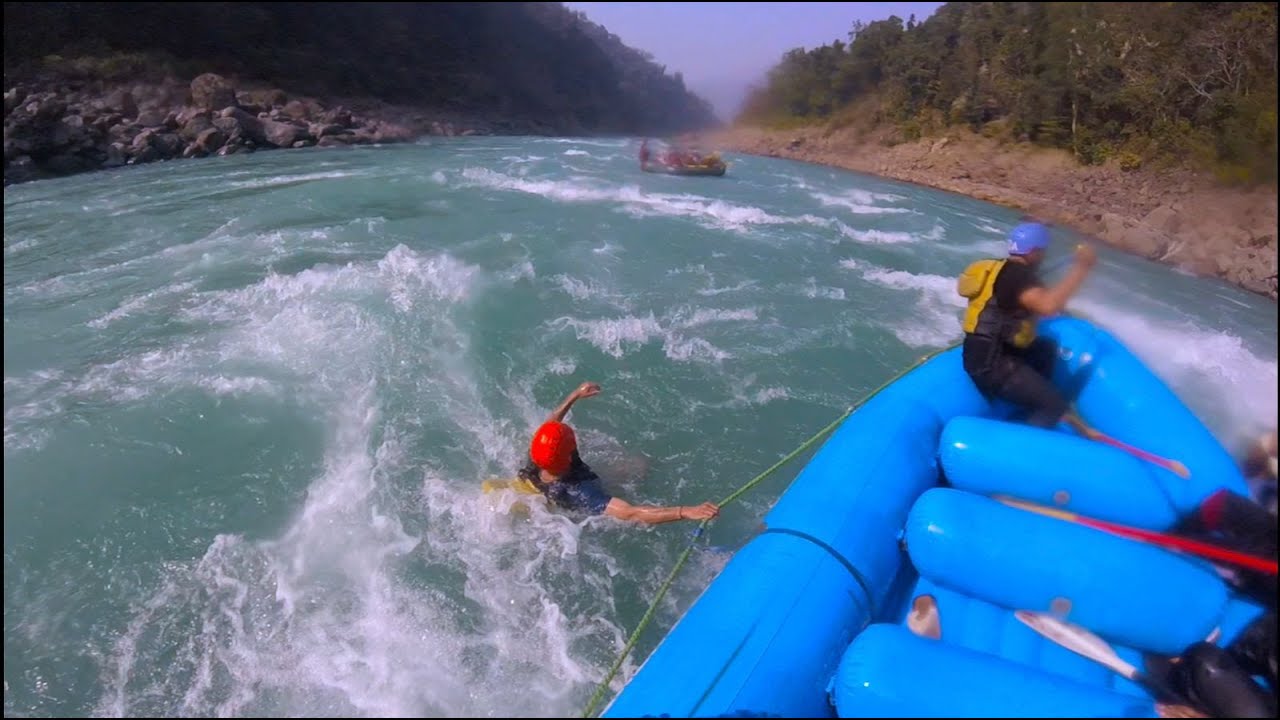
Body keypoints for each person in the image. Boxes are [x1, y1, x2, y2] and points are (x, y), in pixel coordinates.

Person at [516, 381, 720, 525]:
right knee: (640, 466)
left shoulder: (538, 456)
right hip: (568, 501)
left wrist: (575, 395)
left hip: (541, 484)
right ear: (568, 455)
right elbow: (631, 514)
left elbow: (550, 426)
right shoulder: (582, 493)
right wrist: (685, 511)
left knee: (634, 465)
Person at [957, 221, 1097, 430]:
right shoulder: (1019, 278)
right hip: (992, 364)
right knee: (1054, 406)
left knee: (1045, 348)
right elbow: (1048, 306)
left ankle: (1030, 401)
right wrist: (1081, 268)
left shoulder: (999, 269)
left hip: (979, 352)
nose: (1043, 257)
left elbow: (1027, 305)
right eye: (1042, 252)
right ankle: (1025, 436)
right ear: (1033, 252)